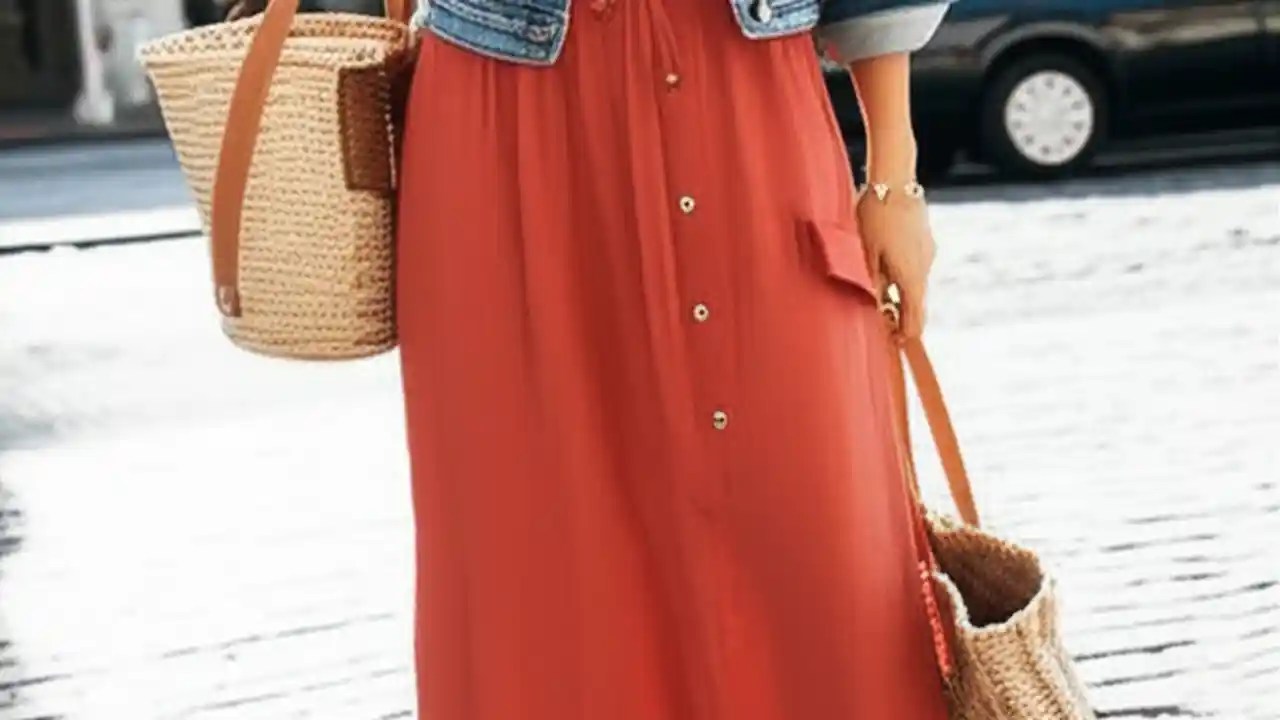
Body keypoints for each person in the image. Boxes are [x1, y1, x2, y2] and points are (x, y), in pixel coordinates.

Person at [230, 0, 950, 717]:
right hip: (502, 118)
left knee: (811, 531)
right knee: (539, 554)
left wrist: (895, 175)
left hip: (747, 100)